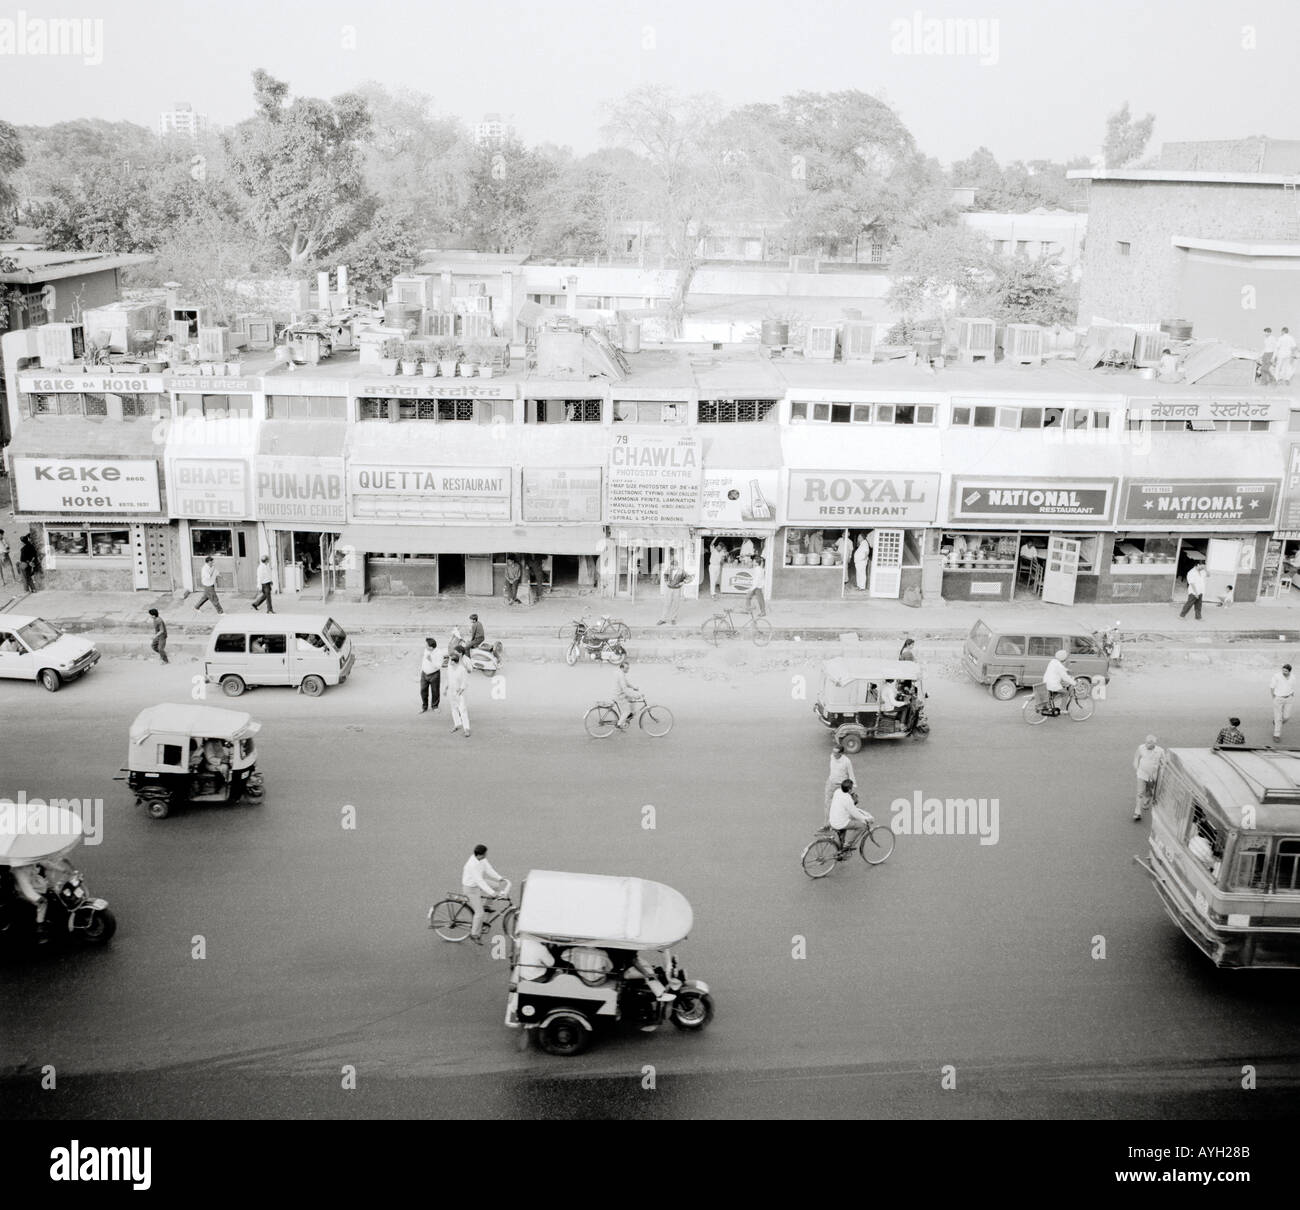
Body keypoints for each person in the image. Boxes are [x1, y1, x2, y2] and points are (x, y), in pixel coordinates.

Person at [460, 844, 505, 945]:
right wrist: (493, 894)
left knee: (495, 885)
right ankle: (474, 934)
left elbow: (489, 869)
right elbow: (480, 881)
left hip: (477, 883)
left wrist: (499, 878)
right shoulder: (471, 865)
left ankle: (486, 905)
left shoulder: (482, 859)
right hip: (471, 888)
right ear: (480, 855)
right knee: (479, 913)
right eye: (485, 853)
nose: (486, 855)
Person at [828, 779, 873, 853]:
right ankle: (847, 845)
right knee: (862, 826)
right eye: (852, 787)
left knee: (842, 831)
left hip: (833, 819)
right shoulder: (847, 799)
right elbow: (856, 814)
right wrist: (866, 819)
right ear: (849, 789)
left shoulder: (837, 791)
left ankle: (840, 850)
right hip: (840, 823)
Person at [11, 862, 51, 942]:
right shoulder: (19, 871)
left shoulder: (28, 862)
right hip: (23, 892)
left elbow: (45, 864)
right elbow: (26, 888)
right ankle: (40, 926)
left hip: (35, 885)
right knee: (43, 903)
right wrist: (38, 898)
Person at [1133, 735, 1165, 822]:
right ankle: (1137, 812)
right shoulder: (1141, 748)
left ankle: (1146, 801)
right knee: (1140, 792)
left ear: (1154, 743)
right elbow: (1136, 758)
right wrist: (1136, 768)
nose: (1147, 744)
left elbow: (1164, 764)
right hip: (1142, 774)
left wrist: (1161, 773)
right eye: (1146, 742)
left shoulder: (1160, 751)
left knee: (1149, 792)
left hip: (1152, 776)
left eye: (1149, 743)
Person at [657, 558, 691, 625]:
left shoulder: (681, 571)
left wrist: (683, 582)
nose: (673, 567)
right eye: (672, 566)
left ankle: (673, 619)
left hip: (677, 589)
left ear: (677, 566)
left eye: (674, 566)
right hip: (669, 589)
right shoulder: (669, 569)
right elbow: (665, 575)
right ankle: (663, 619)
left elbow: (689, 577)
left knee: (675, 604)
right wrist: (666, 581)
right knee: (667, 604)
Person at [1041, 649, 1076, 714]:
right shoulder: (1059, 666)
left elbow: (1059, 668)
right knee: (1066, 693)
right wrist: (1074, 683)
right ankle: (1063, 709)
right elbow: (1065, 677)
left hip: (1046, 682)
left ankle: (1048, 703)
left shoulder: (1053, 661)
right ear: (1063, 658)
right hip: (1052, 684)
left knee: (1058, 691)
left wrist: (1067, 670)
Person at [613, 657, 644, 729]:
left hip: (619, 693)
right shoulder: (621, 675)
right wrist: (636, 695)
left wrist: (633, 687)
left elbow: (626, 683)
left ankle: (629, 715)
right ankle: (619, 724)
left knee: (632, 700)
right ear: (622, 668)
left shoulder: (620, 673)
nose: (628, 670)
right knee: (627, 710)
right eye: (626, 668)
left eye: (628, 668)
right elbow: (625, 689)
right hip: (619, 695)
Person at [825, 745, 855, 814]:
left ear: (841, 754)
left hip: (841, 786)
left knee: (842, 804)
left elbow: (851, 774)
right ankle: (827, 823)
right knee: (828, 803)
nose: (833, 754)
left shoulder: (847, 761)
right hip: (831, 783)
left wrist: (852, 787)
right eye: (833, 752)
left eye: (836, 753)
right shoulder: (832, 756)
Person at [447, 651, 471, 737]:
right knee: (453, 709)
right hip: (451, 692)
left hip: (460, 693)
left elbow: (465, 682)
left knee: (462, 710)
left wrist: (460, 692)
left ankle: (467, 729)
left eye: (450, 660)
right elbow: (449, 679)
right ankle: (457, 724)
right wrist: (446, 688)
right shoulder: (449, 668)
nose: (449, 662)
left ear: (454, 661)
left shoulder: (462, 670)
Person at [1270, 663, 1296, 741]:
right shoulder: (1276, 676)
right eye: (1283, 670)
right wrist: (1273, 697)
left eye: (1286, 671)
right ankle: (1276, 735)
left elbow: (1291, 686)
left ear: (1289, 672)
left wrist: (1292, 694)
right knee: (1278, 718)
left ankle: (1276, 722)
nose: (1284, 672)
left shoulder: (1293, 677)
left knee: (1286, 717)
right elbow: (1272, 687)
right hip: (1278, 698)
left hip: (1289, 698)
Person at [418, 637, 440, 713]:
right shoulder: (426, 650)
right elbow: (423, 661)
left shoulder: (439, 653)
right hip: (424, 673)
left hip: (434, 674)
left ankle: (435, 706)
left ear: (431, 647)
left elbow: (439, 666)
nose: (425, 646)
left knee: (435, 691)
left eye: (426, 645)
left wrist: (431, 660)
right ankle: (424, 706)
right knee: (423, 690)